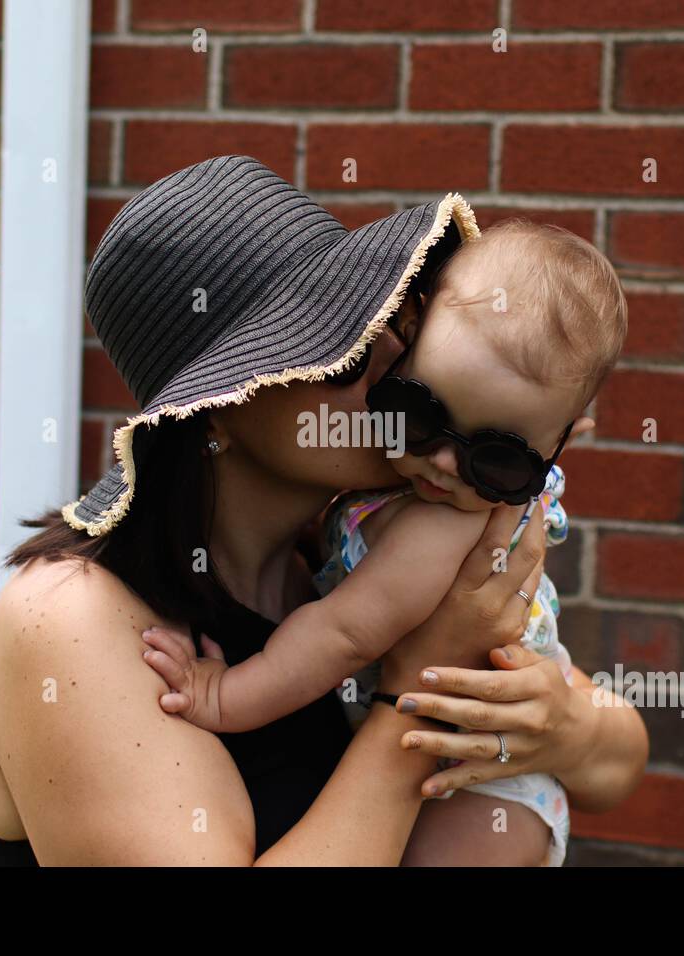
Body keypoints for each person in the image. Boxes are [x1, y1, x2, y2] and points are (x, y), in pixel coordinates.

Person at [0, 156, 648, 865]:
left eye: (384, 324)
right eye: (338, 354)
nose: (389, 362)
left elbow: (618, 758)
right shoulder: (68, 620)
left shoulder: (338, 556)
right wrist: (415, 698)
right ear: (214, 413)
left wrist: (558, 723)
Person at [141, 219, 627, 867]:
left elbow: (343, 633)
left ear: (565, 440)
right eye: (419, 415)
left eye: (499, 460)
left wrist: (224, 697)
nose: (446, 465)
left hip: (485, 787)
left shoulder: (445, 523)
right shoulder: (379, 514)